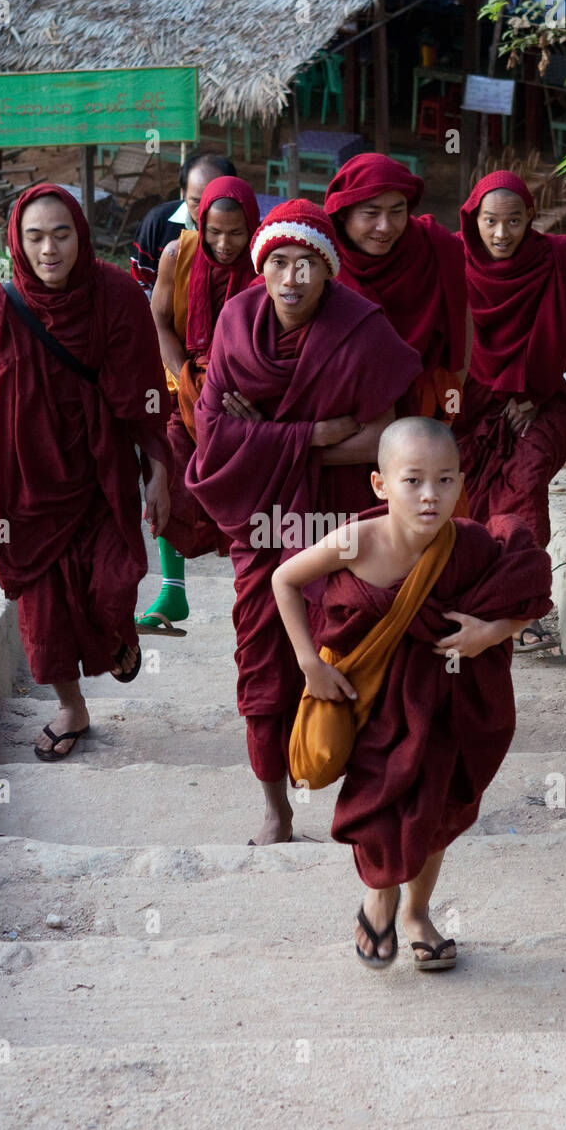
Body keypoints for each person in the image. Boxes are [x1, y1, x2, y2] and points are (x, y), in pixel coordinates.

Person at [272, 417, 552, 967]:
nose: (431, 495)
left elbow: (529, 589)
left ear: (461, 481)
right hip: (375, 699)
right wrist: (309, 664)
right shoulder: (357, 540)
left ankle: (417, 913)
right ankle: (379, 898)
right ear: (380, 485)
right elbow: (284, 578)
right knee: (380, 803)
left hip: (445, 703)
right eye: (413, 480)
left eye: (445, 480)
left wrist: (488, 634)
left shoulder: (470, 545)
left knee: (437, 805)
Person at [186, 200, 422, 846]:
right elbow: (211, 435)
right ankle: (275, 808)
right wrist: (312, 433)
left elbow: (386, 438)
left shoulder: (362, 331)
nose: (291, 279)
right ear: (261, 269)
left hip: (343, 515)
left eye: (306, 265)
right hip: (262, 520)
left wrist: (270, 436)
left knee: (355, 652)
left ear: (328, 271)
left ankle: (368, 796)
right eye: (279, 264)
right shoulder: (236, 327)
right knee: (263, 656)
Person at [0, 184, 171, 760]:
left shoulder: (116, 296)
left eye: (62, 234)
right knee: (43, 607)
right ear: (17, 242)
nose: (50, 250)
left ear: (81, 235)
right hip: (28, 484)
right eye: (35, 237)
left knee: (111, 582)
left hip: (101, 473)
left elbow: (145, 393)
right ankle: (71, 706)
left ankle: (117, 630)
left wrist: (159, 470)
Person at [456, 170, 566, 649]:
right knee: (467, 492)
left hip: (542, 399)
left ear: (530, 218)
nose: (501, 233)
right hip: (472, 404)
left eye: (513, 221)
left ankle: (521, 607)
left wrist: (534, 390)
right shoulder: (456, 258)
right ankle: (476, 600)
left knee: (525, 481)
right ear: (475, 218)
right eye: (491, 221)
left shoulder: (552, 256)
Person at [138, 175, 260, 634]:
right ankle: (173, 591)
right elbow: (160, 321)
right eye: (214, 231)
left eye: (235, 232)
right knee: (169, 478)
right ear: (199, 223)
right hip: (186, 385)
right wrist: (184, 376)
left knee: (245, 496)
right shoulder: (178, 254)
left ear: (252, 227)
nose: (224, 244)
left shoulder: (265, 262)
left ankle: (253, 592)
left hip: (243, 395)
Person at [323, 153, 469, 422]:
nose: (385, 226)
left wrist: (447, 412)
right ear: (343, 212)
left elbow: (463, 329)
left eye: (397, 211)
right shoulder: (319, 258)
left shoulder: (435, 248)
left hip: (423, 406)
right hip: (340, 411)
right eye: (371, 213)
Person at [129, 151, 237, 294]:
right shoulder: (158, 222)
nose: (204, 210)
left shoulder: (246, 230)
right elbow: (141, 280)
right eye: (196, 201)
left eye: (214, 201)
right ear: (183, 193)